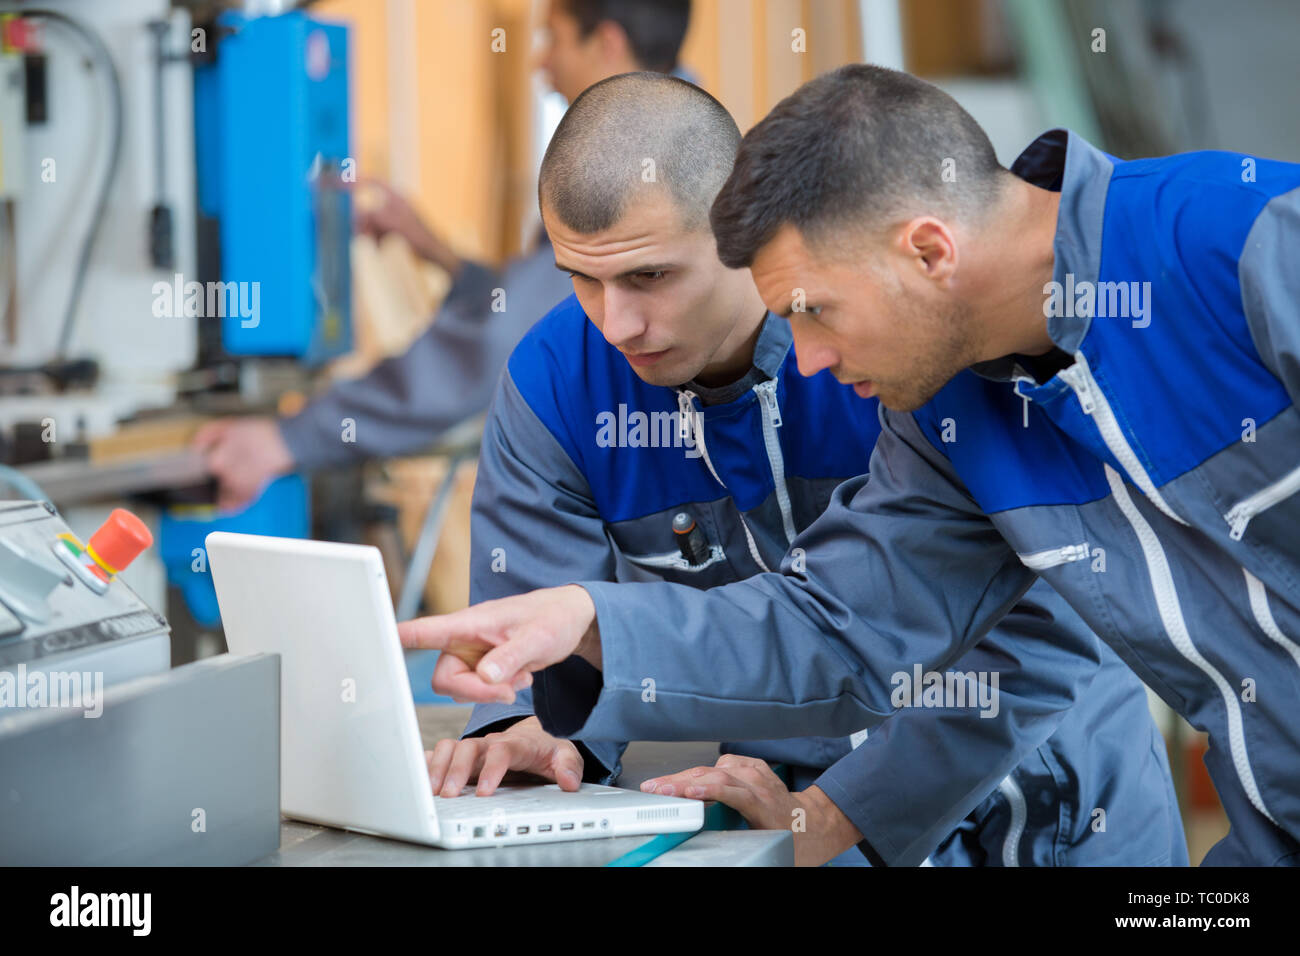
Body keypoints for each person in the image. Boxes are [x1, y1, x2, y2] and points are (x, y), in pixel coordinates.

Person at [400, 64, 1300, 866]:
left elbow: (1038, 643)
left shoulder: (1254, 249)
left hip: (1072, 805)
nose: (810, 358)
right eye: (583, 282)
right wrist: (590, 624)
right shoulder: (948, 405)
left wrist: (840, 812)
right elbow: (837, 629)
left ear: (928, 252)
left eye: (814, 310)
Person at [193, 0, 694, 511]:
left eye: (554, 39)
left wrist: (288, 438)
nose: (540, 61)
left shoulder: (631, 166)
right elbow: (540, 303)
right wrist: (433, 250)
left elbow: (499, 340)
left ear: (607, 43)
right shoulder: (680, 135)